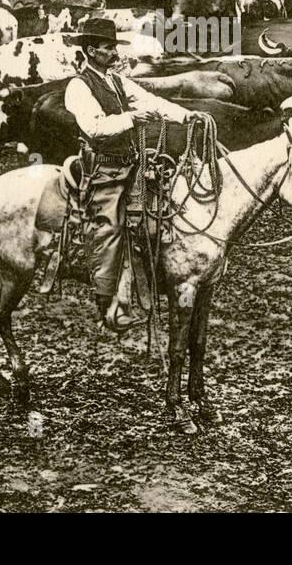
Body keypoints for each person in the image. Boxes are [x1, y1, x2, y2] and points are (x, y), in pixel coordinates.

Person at [64, 18, 207, 332]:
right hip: (102, 168)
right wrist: (132, 119)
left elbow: (150, 102)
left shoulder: (116, 81)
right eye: (107, 47)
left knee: (159, 215)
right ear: (90, 50)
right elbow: (95, 128)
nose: (113, 51)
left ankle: (148, 293)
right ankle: (107, 305)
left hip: (129, 165)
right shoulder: (78, 86)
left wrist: (186, 115)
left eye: (114, 46)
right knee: (110, 228)